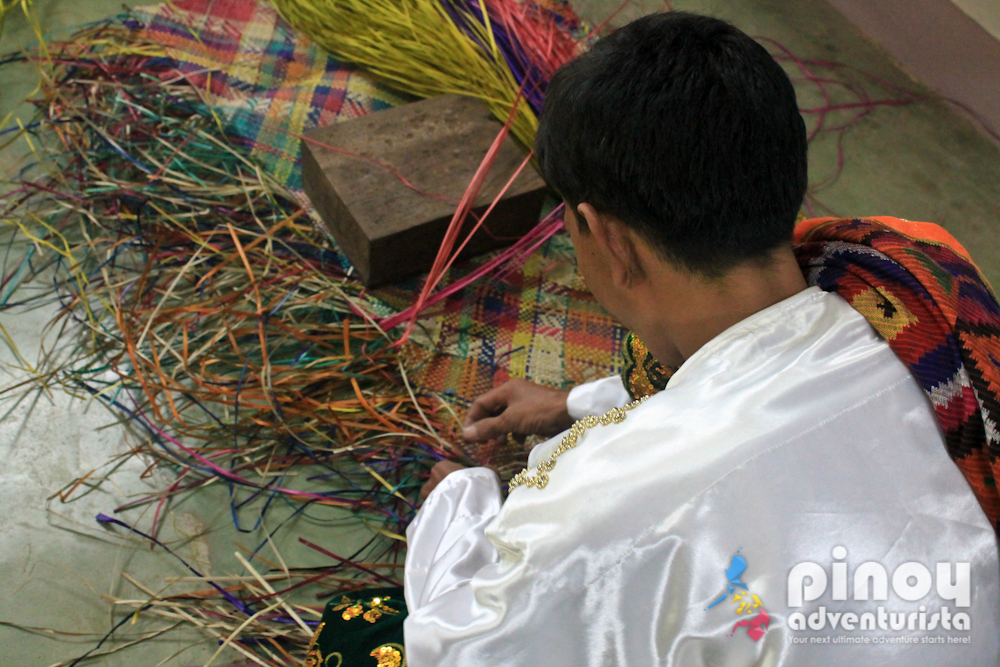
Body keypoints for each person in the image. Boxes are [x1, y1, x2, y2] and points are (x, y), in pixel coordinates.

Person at [304, 12, 1000, 667]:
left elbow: (468, 644)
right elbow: (750, 391)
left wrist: (458, 505)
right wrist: (578, 404)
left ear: (606, 238)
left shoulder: (601, 508)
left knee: (358, 635)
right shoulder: (914, 282)